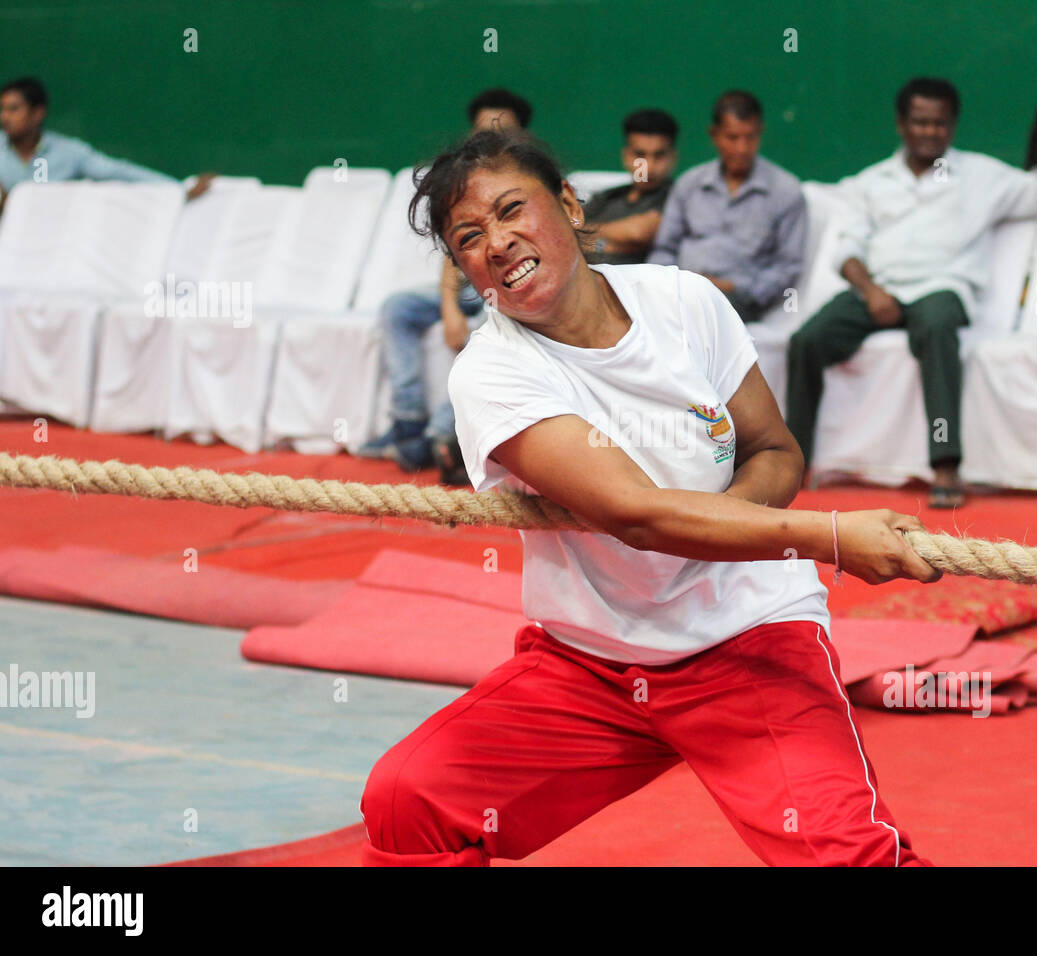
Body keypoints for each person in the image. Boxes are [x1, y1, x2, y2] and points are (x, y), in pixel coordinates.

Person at [358, 129, 941, 867]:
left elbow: (774, 450)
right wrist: (827, 536)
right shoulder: (492, 373)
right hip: (590, 663)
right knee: (408, 798)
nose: (497, 242)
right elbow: (637, 515)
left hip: (749, 639)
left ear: (568, 204)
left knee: (844, 857)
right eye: (469, 237)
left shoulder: (683, 300)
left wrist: (727, 530)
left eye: (512, 210)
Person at [786, 78, 1037, 509]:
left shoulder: (983, 176)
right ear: (901, 124)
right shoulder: (870, 182)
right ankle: (794, 461)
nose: (930, 132)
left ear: (953, 126)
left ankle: (945, 466)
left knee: (937, 326)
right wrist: (871, 293)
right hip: (878, 288)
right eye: (920, 123)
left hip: (941, 289)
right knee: (805, 341)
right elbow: (847, 249)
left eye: (940, 124)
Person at [356, 88, 534, 479]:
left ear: (522, 135)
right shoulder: (463, 182)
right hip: (470, 285)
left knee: (496, 324)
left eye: (501, 129)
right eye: (481, 130)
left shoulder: (533, 183)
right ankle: (407, 419)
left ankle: (439, 439)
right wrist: (450, 307)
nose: (490, 138)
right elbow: (454, 252)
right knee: (397, 307)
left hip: (508, 287)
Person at [647, 90, 805, 324]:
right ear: (714, 135)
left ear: (760, 133)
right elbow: (663, 249)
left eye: (749, 137)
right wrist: (672, 283)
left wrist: (735, 286)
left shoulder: (785, 191)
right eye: (732, 137)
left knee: (699, 318)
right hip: (680, 291)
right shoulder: (690, 183)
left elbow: (787, 267)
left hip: (738, 300)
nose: (742, 148)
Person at [0, 77, 214, 224]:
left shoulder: (69, 152)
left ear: (38, 113)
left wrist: (178, 189)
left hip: (54, 254)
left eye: (13, 109)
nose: (4, 117)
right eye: (2, 109)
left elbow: (118, 172)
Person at [579, 108, 678, 264]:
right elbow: (566, 231)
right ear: (626, 155)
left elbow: (638, 233)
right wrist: (607, 243)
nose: (648, 167)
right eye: (640, 154)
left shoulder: (678, 197)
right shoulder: (606, 197)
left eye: (659, 155)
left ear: (673, 157)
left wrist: (585, 236)